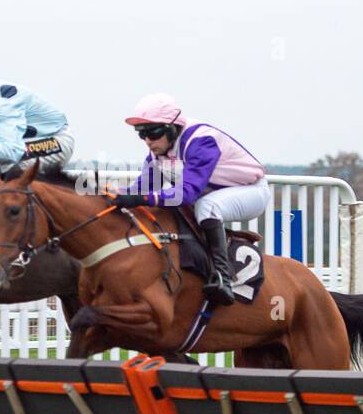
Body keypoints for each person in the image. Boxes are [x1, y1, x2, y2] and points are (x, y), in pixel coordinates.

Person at [111, 93, 270, 305]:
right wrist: (111, 196)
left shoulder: (200, 141)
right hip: (216, 192)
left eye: (153, 133)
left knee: (207, 206)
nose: (148, 141)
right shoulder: (159, 153)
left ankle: (223, 276)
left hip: (251, 191)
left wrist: (141, 197)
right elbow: (143, 186)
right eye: (142, 134)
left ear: (172, 128)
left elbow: (185, 195)